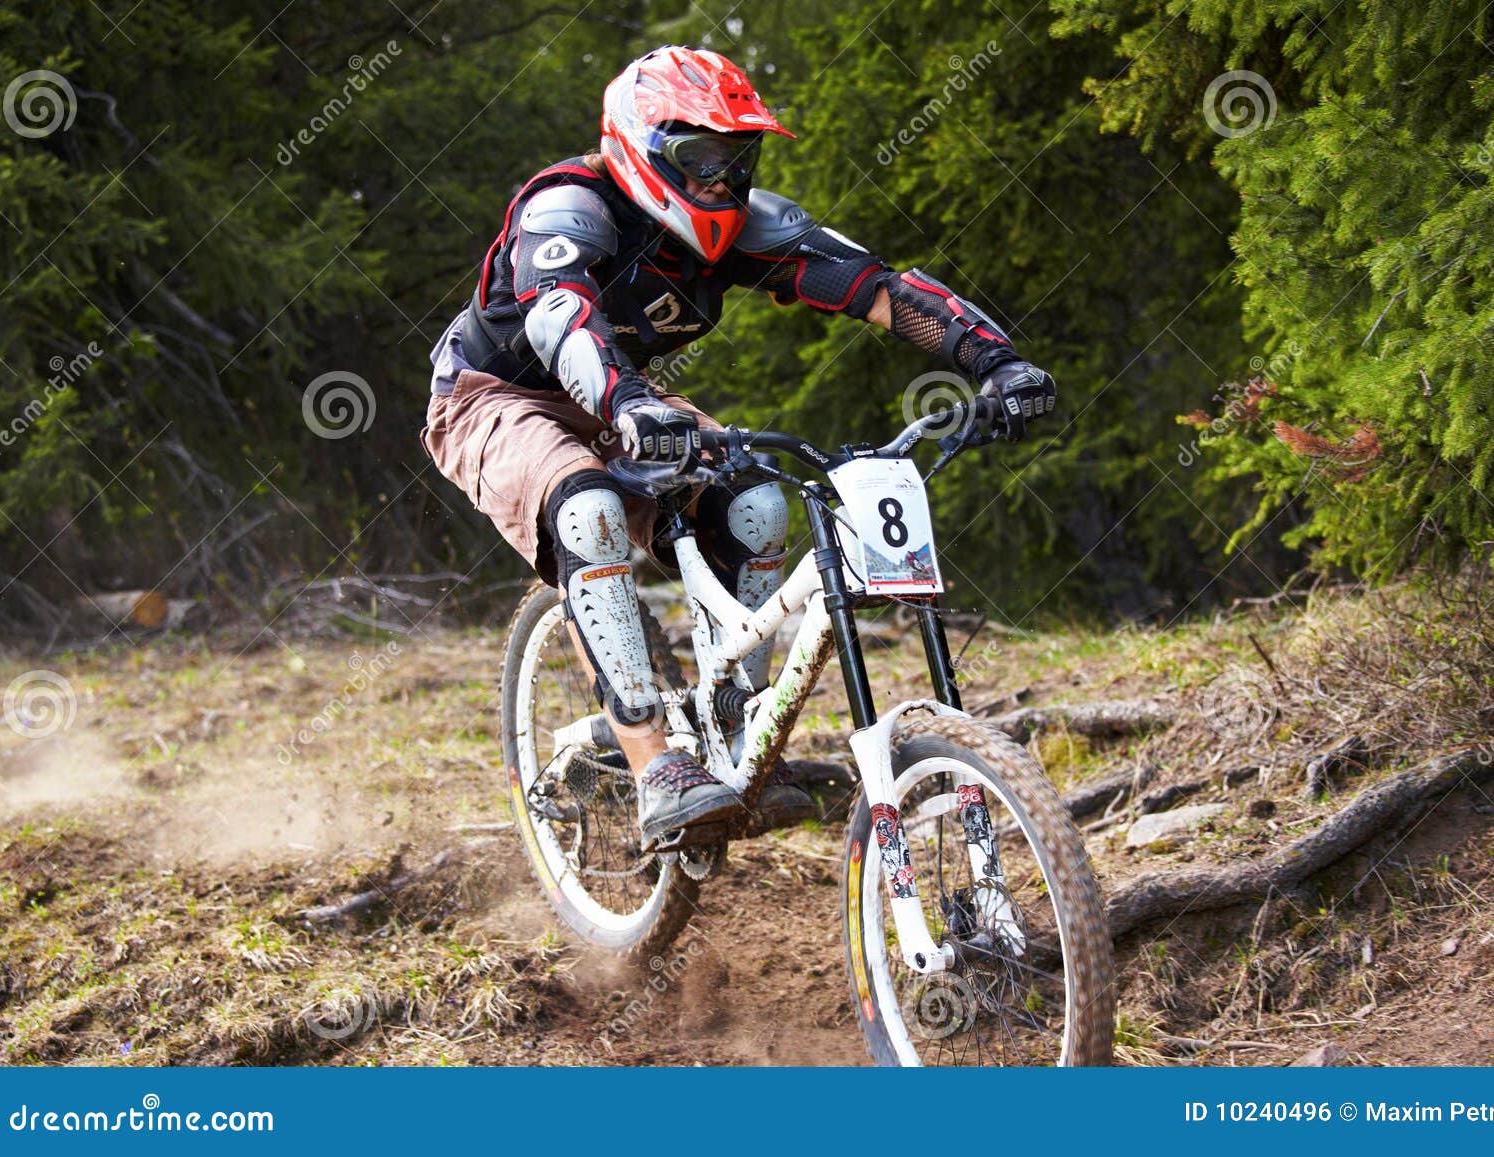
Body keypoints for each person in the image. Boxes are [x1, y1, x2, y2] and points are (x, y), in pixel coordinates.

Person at [422, 45, 1056, 853]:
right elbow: (558, 317)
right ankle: (655, 764)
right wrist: (627, 403)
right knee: (588, 509)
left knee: (756, 505)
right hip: (495, 396)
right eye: (702, 158)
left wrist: (994, 359)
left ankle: (737, 724)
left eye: (737, 158)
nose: (723, 180)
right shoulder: (569, 206)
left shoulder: (743, 233)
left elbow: (880, 288)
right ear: (642, 147)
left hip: (626, 396)